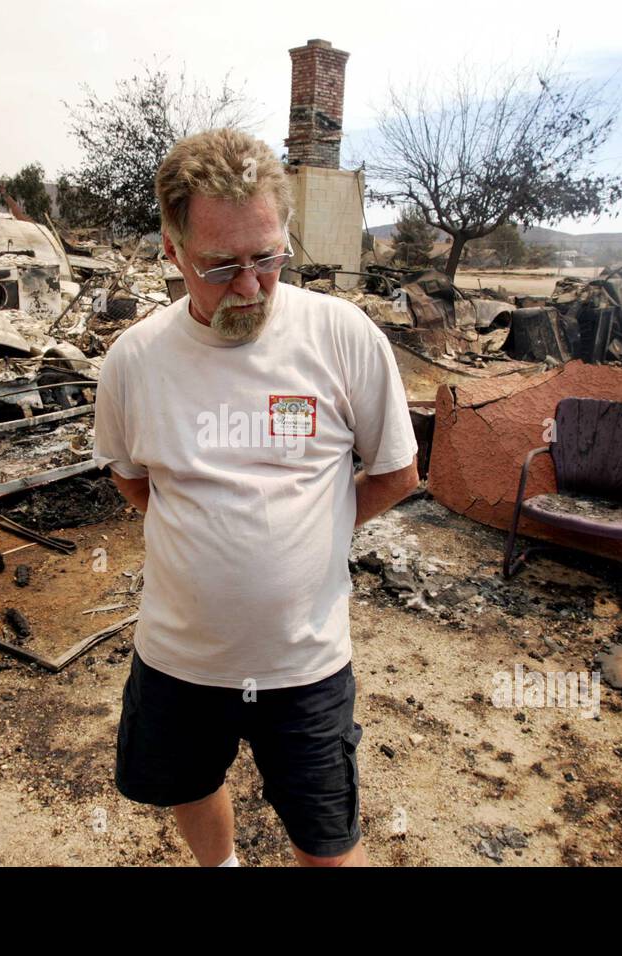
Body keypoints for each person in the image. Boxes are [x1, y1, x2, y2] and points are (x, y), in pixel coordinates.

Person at [93, 128, 419, 866]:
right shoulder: (134, 361)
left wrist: (318, 530)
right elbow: (131, 477)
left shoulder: (343, 337)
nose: (249, 286)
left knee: (330, 847)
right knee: (190, 783)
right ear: (172, 252)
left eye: (267, 258)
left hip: (304, 665)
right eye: (221, 265)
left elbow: (398, 472)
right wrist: (213, 539)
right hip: (180, 659)